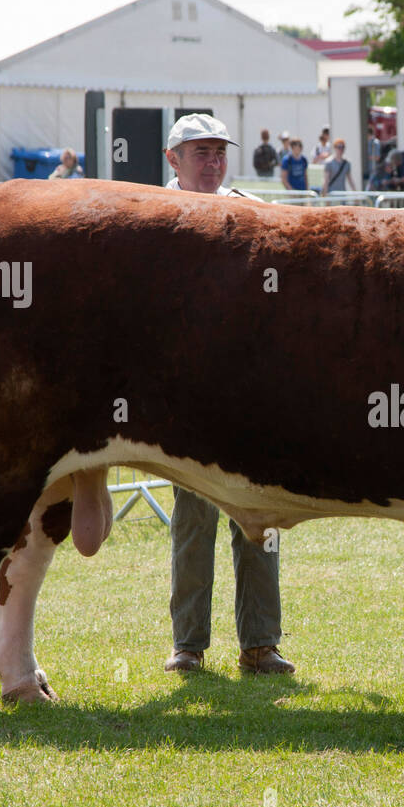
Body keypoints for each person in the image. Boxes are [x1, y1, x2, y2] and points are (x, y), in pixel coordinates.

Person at [160, 112, 292, 675]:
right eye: (201, 154)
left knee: (259, 520)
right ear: (174, 161)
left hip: (247, 389)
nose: (213, 164)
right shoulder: (151, 219)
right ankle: (188, 645)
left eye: (219, 153)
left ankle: (261, 644)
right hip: (189, 394)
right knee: (194, 521)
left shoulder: (248, 209)